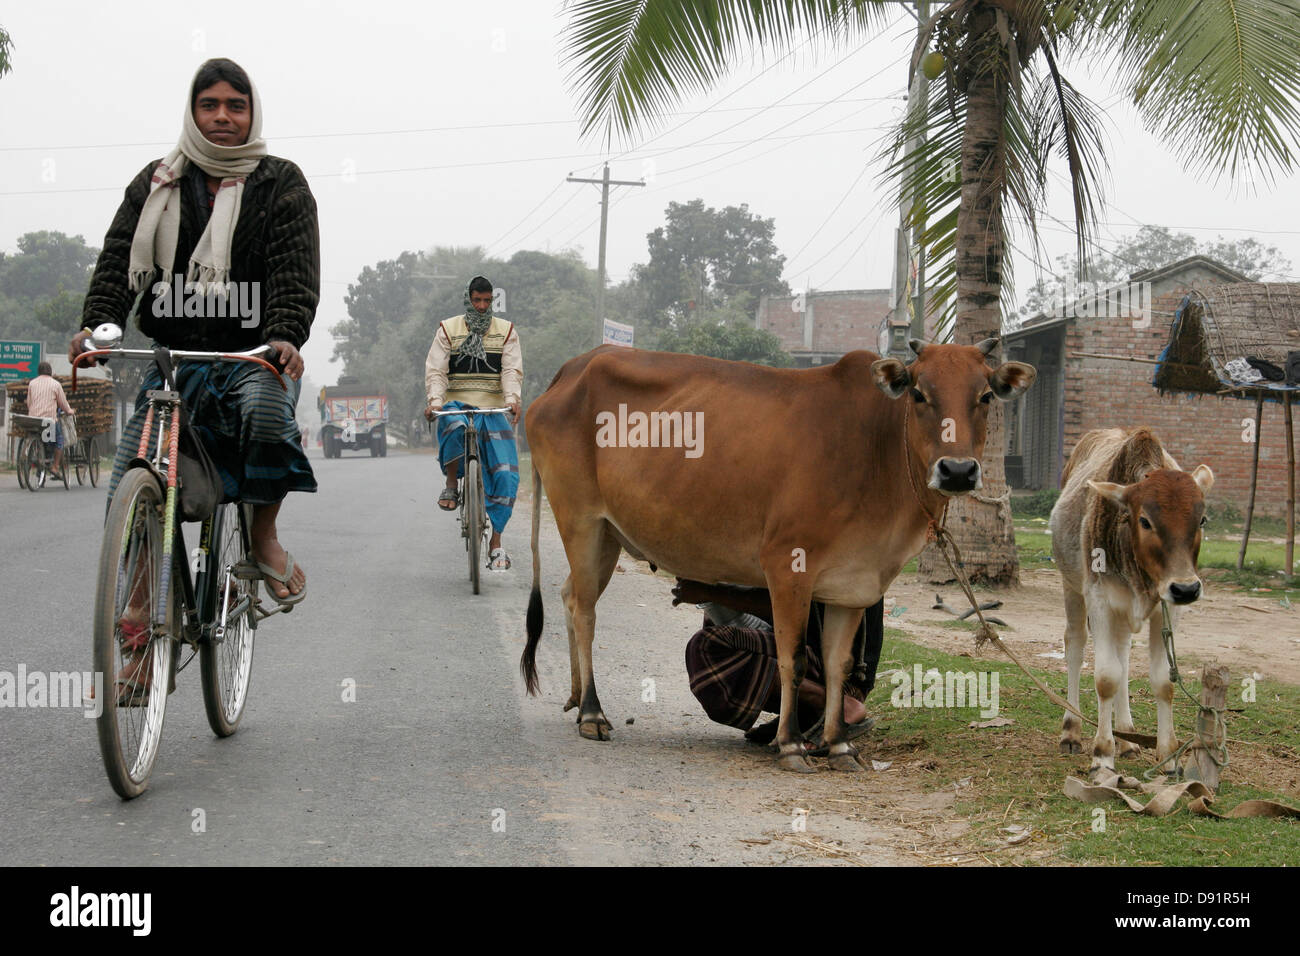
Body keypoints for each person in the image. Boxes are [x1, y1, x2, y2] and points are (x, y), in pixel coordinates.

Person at [70, 58, 319, 608]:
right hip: (174, 367)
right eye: (209, 105)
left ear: (251, 113)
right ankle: (136, 601)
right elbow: (116, 265)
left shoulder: (280, 183)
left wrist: (283, 335)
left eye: (236, 105)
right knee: (130, 480)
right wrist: (98, 331)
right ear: (192, 110)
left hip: (252, 359)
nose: (222, 117)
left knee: (268, 416)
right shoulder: (155, 181)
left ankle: (262, 536)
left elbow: (294, 273)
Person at [672, 579, 885, 753]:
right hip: (810, 653)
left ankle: (836, 705)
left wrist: (710, 593)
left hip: (837, 674)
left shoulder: (816, 538)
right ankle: (802, 715)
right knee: (718, 622)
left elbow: (786, 602)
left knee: (707, 647)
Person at [424, 275, 522, 571]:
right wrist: (435, 401)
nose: (481, 306)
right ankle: (452, 483)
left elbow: (511, 370)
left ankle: (496, 543)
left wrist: (513, 398)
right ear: (469, 299)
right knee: (452, 424)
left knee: (506, 473)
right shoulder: (447, 329)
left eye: (487, 301)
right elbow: (437, 370)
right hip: (456, 404)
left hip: (493, 407)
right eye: (477, 300)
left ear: (492, 301)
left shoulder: (506, 332)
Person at [26, 361, 74, 484]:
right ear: (50, 372)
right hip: (48, 421)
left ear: (39, 371)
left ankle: (38, 455)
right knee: (59, 440)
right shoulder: (56, 384)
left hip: (33, 420)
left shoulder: (32, 383)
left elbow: (29, 403)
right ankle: (55, 467)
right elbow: (63, 403)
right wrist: (69, 411)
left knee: (42, 438)